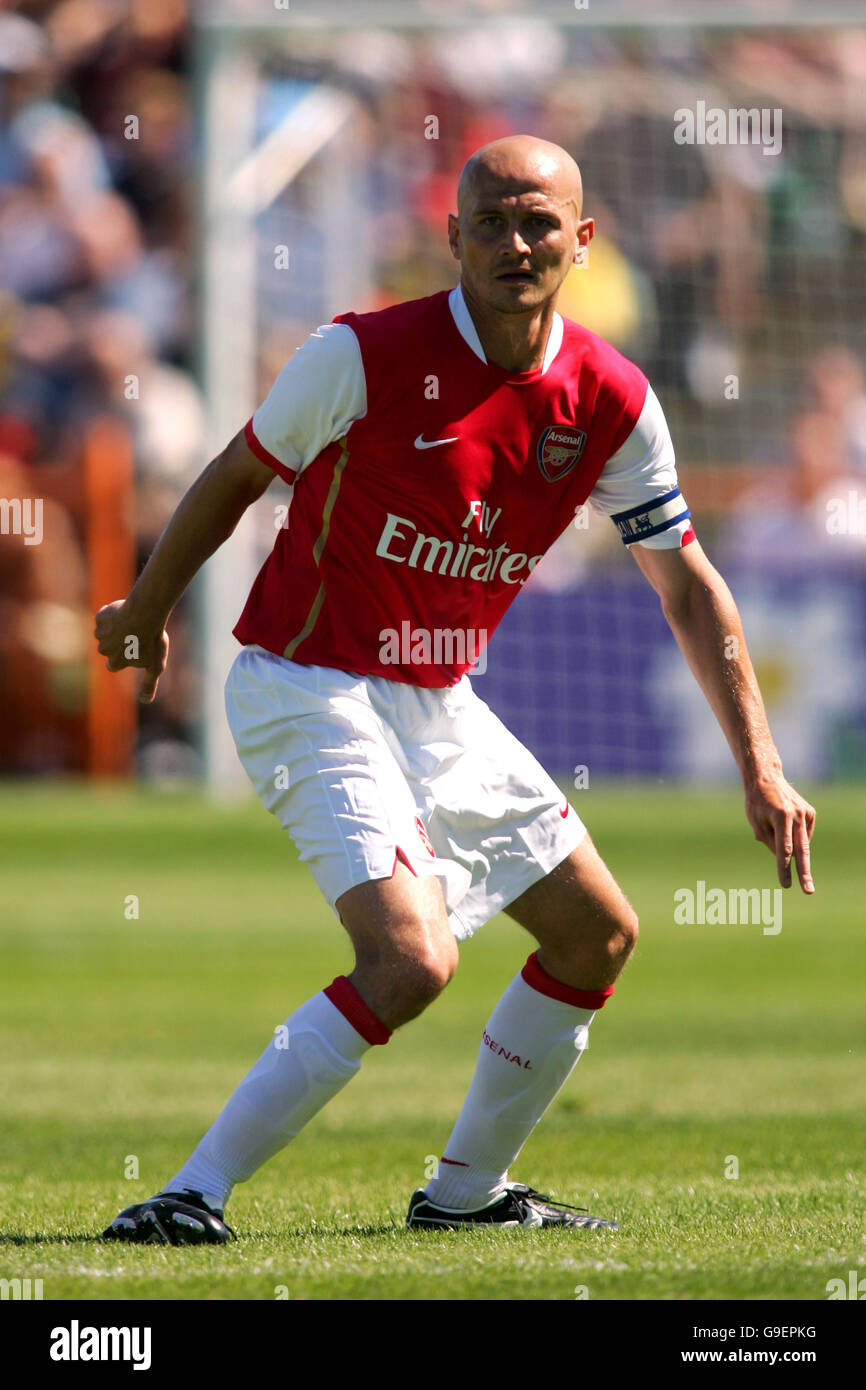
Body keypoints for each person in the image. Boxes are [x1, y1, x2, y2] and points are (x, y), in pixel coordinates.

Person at [95, 135, 815, 1244]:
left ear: (582, 241)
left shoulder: (611, 399)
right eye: (491, 221)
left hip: (440, 703)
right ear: (453, 237)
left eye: (539, 223)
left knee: (596, 937)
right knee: (411, 958)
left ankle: (465, 1193)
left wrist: (759, 767)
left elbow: (687, 587)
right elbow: (239, 475)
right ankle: (188, 1192)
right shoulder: (360, 355)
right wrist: (147, 608)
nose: (514, 243)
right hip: (309, 680)